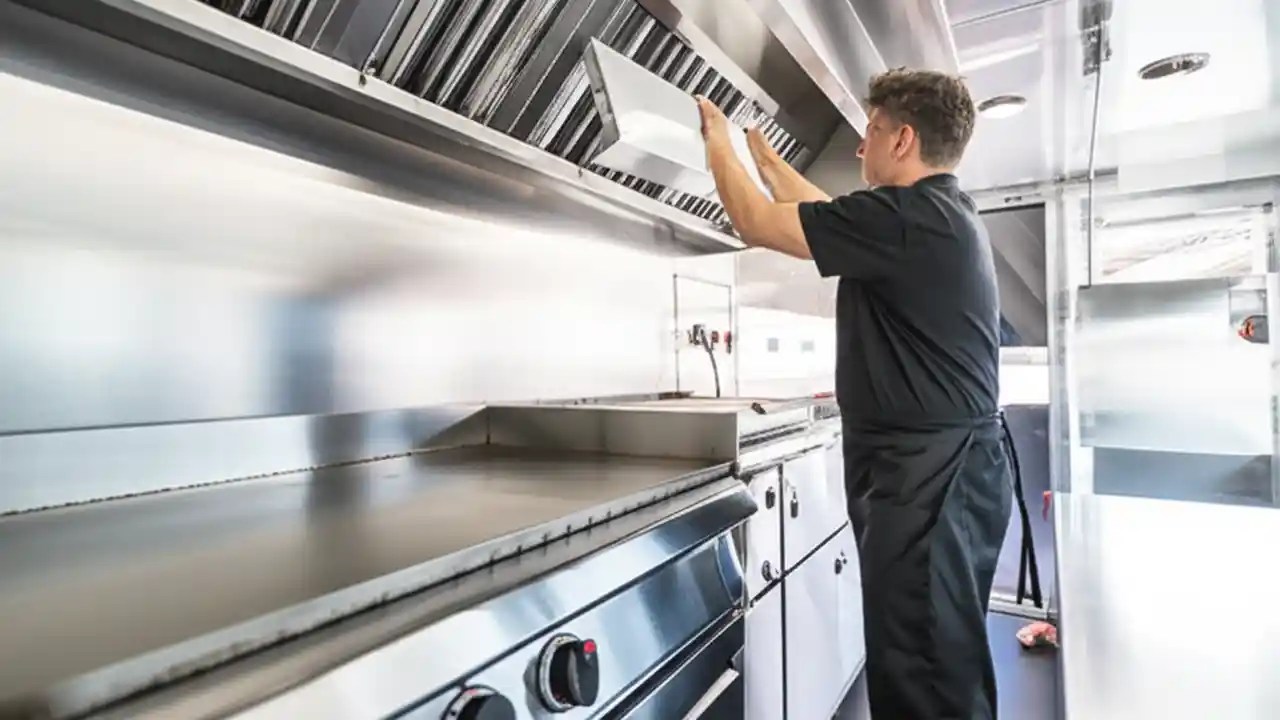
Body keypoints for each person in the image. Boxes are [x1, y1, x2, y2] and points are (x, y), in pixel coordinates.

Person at [697, 69, 1013, 719]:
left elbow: (757, 222)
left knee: (925, 672)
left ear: (903, 139)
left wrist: (715, 136)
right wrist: (762, 155)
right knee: (936, 659)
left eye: (869, 133)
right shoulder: (929, 215)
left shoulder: (911, 220)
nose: (860, 148)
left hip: (932, 481)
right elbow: (817, 213)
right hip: (943, 472)